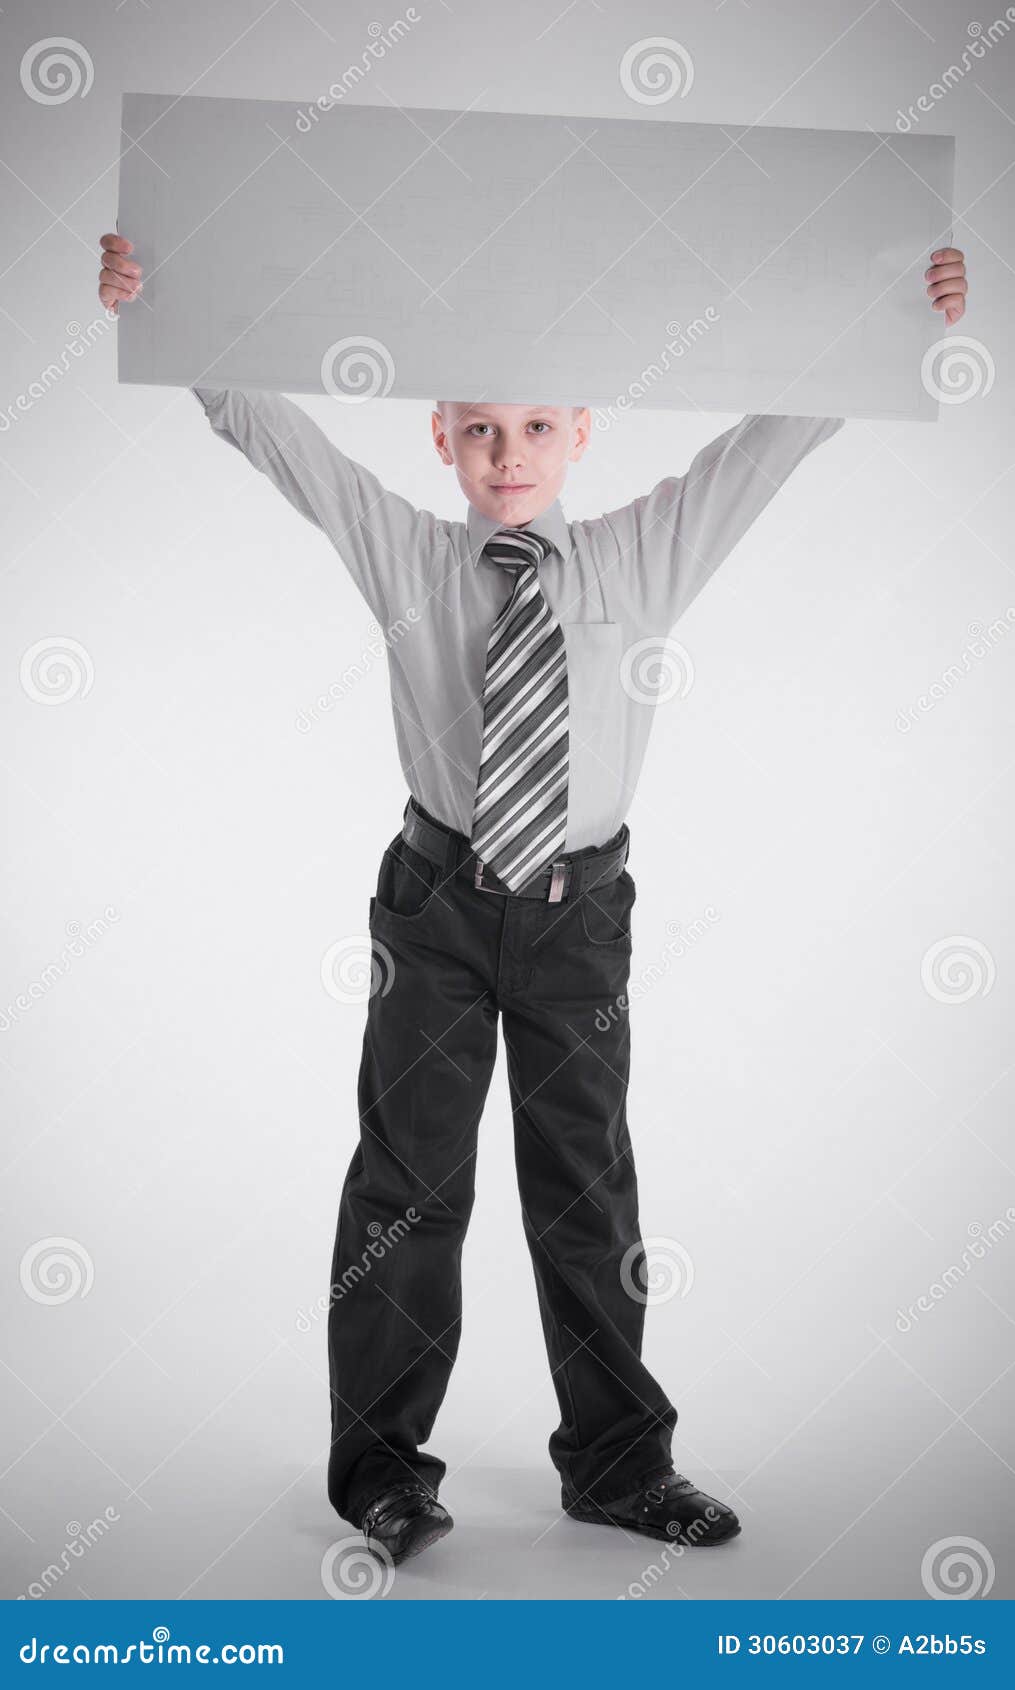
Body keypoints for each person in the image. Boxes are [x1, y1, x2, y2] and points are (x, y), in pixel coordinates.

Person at [98, 233, 969, 1567]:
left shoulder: (635, 557)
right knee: (405, 1185)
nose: (510, 456)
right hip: (437, 909)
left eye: (539, 428)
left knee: (587, 1189)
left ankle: (621, 1464)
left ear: (580, 435)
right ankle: (381, 1472)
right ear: (441, 435)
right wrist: (167, 301)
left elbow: (770, 441)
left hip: (578, 921)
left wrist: (891, 308)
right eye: (484, 430)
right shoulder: (407, 554)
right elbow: (279, 442)